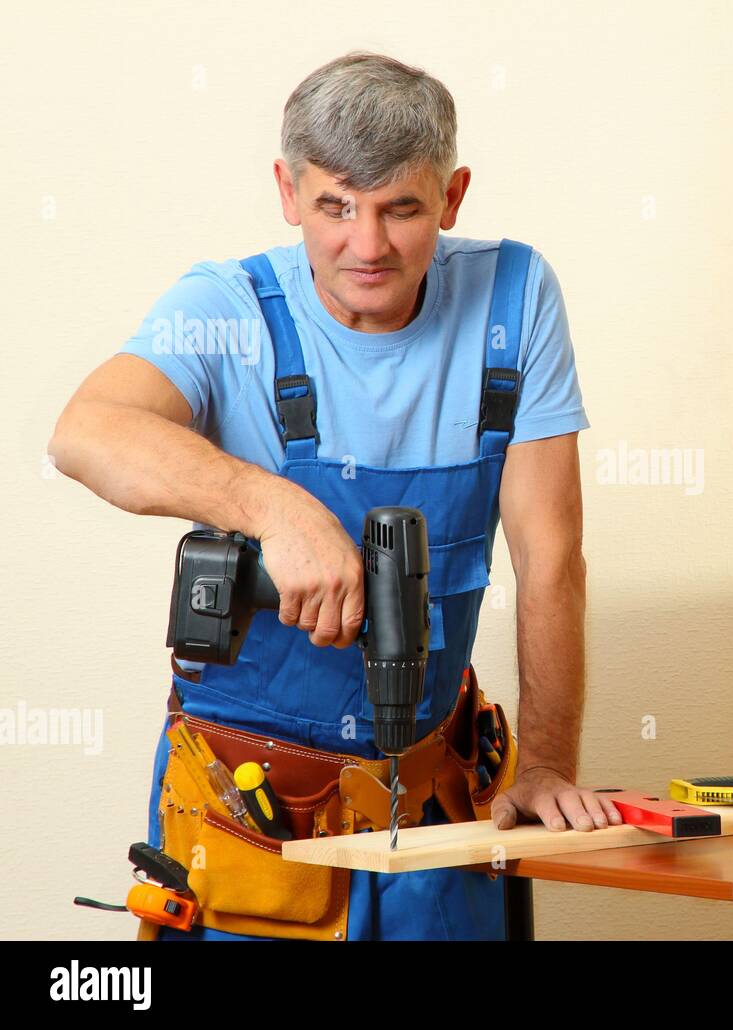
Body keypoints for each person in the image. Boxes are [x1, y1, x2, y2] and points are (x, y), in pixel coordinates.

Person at [48, 50, 622, 940]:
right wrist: (275, 507)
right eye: (335, 207)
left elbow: (551, 559)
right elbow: (86, 433)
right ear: (287, 191)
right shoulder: (229, 308)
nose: (368, 245)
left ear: (453, 196)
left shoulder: (514, 299)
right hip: (251, 823)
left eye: (401, 209)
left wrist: (546, 762)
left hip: (431, 807)